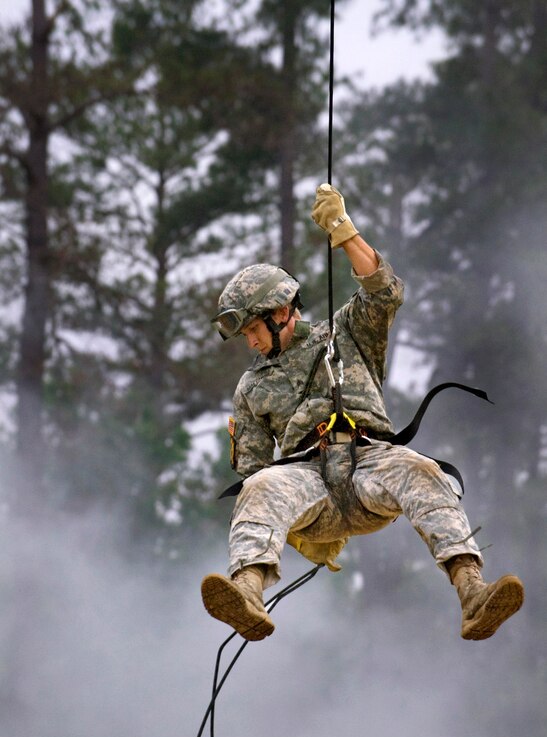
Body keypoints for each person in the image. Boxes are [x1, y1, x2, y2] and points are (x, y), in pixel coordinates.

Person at [201, 183, 524, 642]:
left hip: (370, 465)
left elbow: (383, 293)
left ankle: (473, 592)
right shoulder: (251, 387)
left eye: (254, 328)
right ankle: (248, 594)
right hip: (309, 485)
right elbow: (254, 471)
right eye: (245, 335)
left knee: (423, 470)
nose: (250, 342)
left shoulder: (346, 332)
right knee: (259, 487)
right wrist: (290, 522)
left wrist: (342, 229)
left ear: (282, 312)